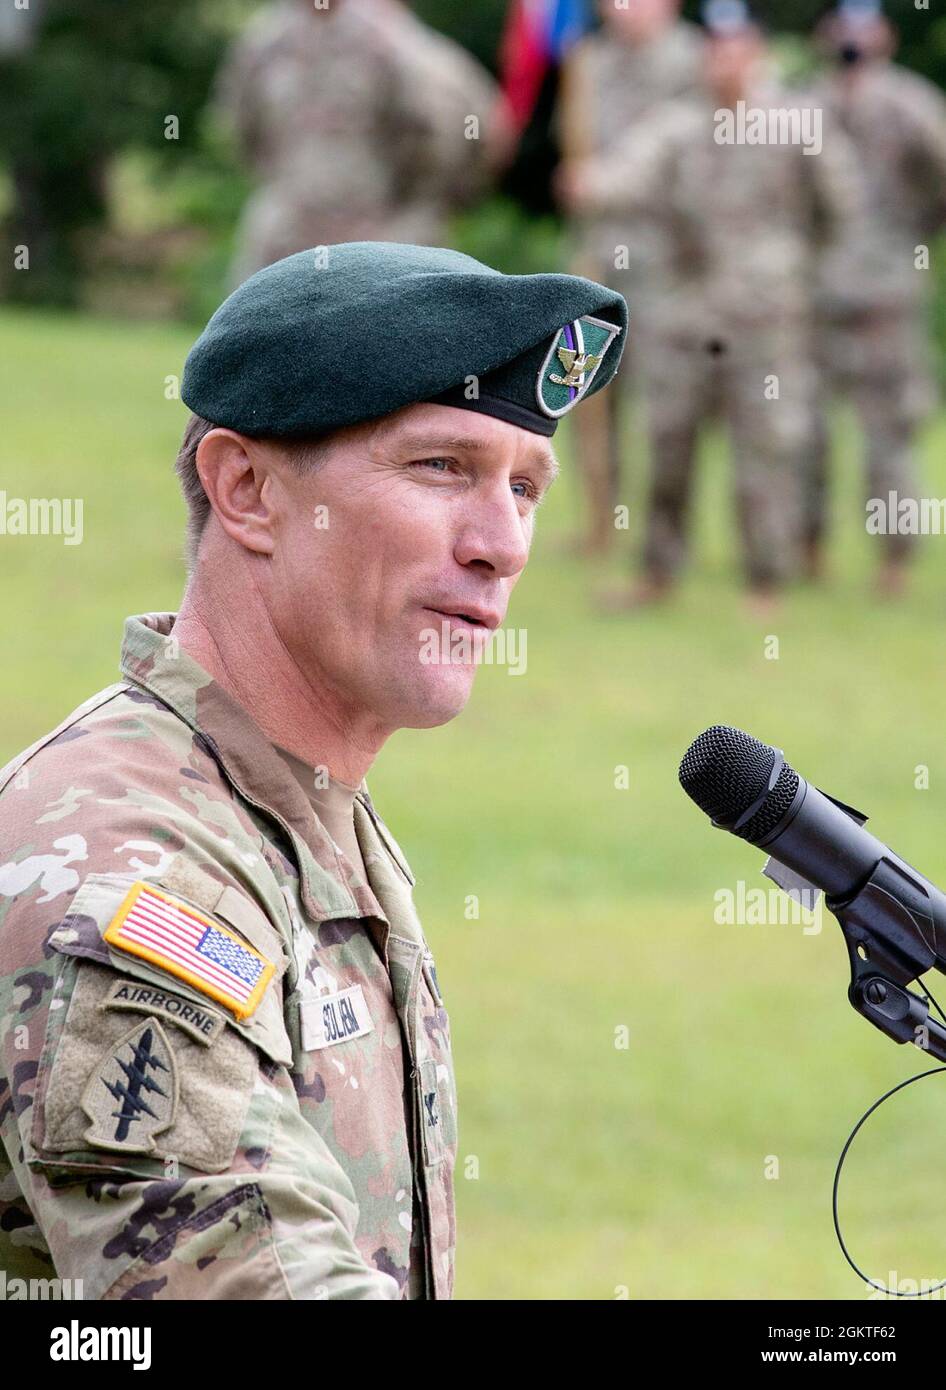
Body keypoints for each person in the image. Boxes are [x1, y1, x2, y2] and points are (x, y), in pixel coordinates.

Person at [0, 240, 626, 1300]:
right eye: (442, 467)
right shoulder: (135, 871)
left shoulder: (293, 808)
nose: (502, 543)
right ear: (245, 490)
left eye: (525, 486)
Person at [558, 0, 860, 614]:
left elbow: (841, 207)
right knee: (669, 441)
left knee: (766, 448)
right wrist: (589, 184)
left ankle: (766, 579)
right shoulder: (678, 126)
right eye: (715, 48)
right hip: (684, 317)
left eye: (738, 46)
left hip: (767, 319)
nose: (725, 60)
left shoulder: (797, 125)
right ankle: (658, 573)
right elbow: (625, 177)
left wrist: (790, 267)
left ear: (758, 53)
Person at [805, 0, 946, 596]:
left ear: (885, 34)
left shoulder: (912, 103)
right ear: (825, 33)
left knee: (887, 432)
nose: (853, 38)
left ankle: (894, 560)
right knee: (802, 429)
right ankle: (804, 548)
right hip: (813, 292)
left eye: (865, 26)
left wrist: (915, 241)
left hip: (885, 293)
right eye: (844, 25)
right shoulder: (803, 106)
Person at [556, 0, 702, 555]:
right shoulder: (588, 61)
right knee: (589, 387)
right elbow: (574, 141)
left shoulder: (694, 61)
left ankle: (662, 533)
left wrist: (608, 183)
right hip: (600, 251)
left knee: (667, 401)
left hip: (671, 257)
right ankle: (600, 522)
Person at [215, 0, 500, 283]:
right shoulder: (263, 43)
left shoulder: (391, 39)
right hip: (288, 229)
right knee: (253, 315)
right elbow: (241, 127)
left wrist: (411, 204)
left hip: (380, 227)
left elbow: (446, 130)